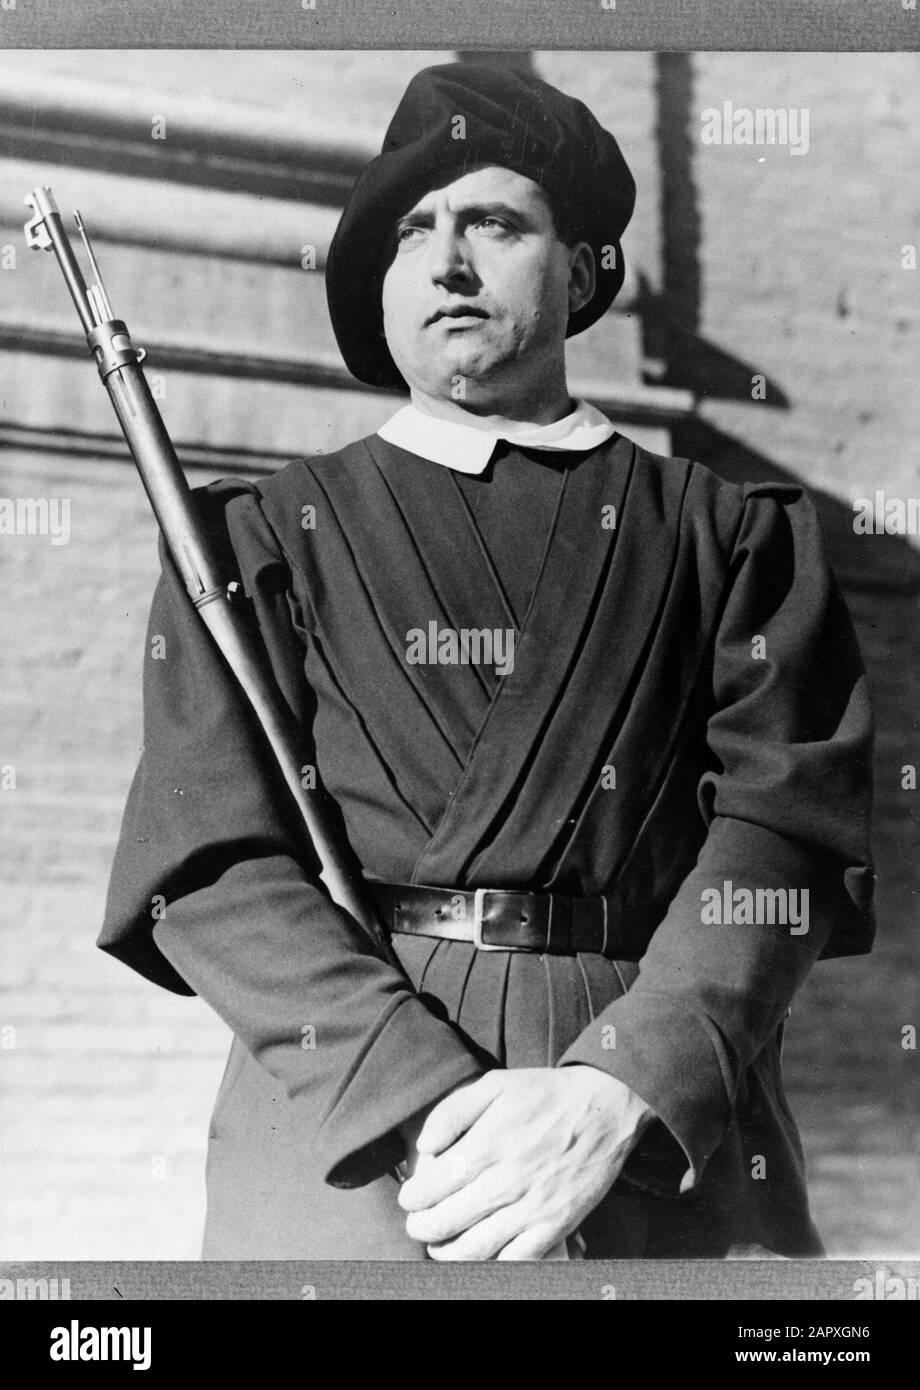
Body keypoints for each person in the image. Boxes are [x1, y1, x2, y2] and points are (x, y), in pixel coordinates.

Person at [99, 61, 875, 1261]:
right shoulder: (256, 541)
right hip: (355, 1134)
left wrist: (618, 1087)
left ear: (578, 269)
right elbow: (208, 863)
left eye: (493, 222)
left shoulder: (731, 538)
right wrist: (419, 1096)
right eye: (412, 233)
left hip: (649, 1129)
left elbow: (788, 836)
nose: (448, 261)